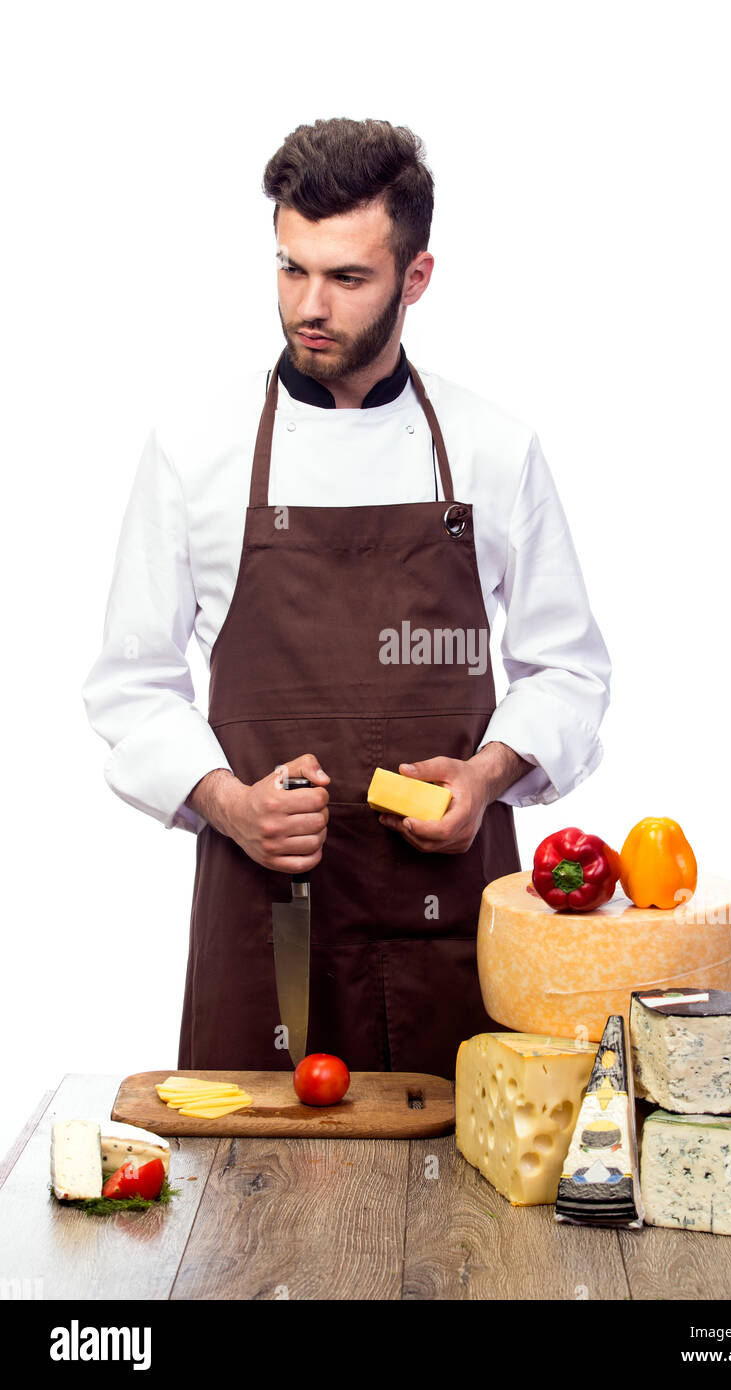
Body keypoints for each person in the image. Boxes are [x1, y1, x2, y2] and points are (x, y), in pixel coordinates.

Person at [83, 117, 611, 1077]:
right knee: (248, 1204)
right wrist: (228, 803)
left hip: (453, 918)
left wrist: (487, 774)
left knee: (470, 1208)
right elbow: (129, 686)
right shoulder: (194, 449)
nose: (308, 306)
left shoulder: (494, 449)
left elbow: (569, 671)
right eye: (291, 269)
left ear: (416, 278)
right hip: (267, 921)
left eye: (348, 278)